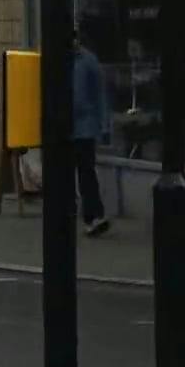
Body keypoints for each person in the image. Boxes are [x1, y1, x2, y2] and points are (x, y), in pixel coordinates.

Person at [69, 40, 113, 237]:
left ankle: (93, 216)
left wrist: (104, 126)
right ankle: (86, 215)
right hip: (65, 126)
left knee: (86, 172)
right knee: (71, 174)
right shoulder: (60, 60)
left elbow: (99, 95)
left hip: (84, 126)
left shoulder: (87, 61)